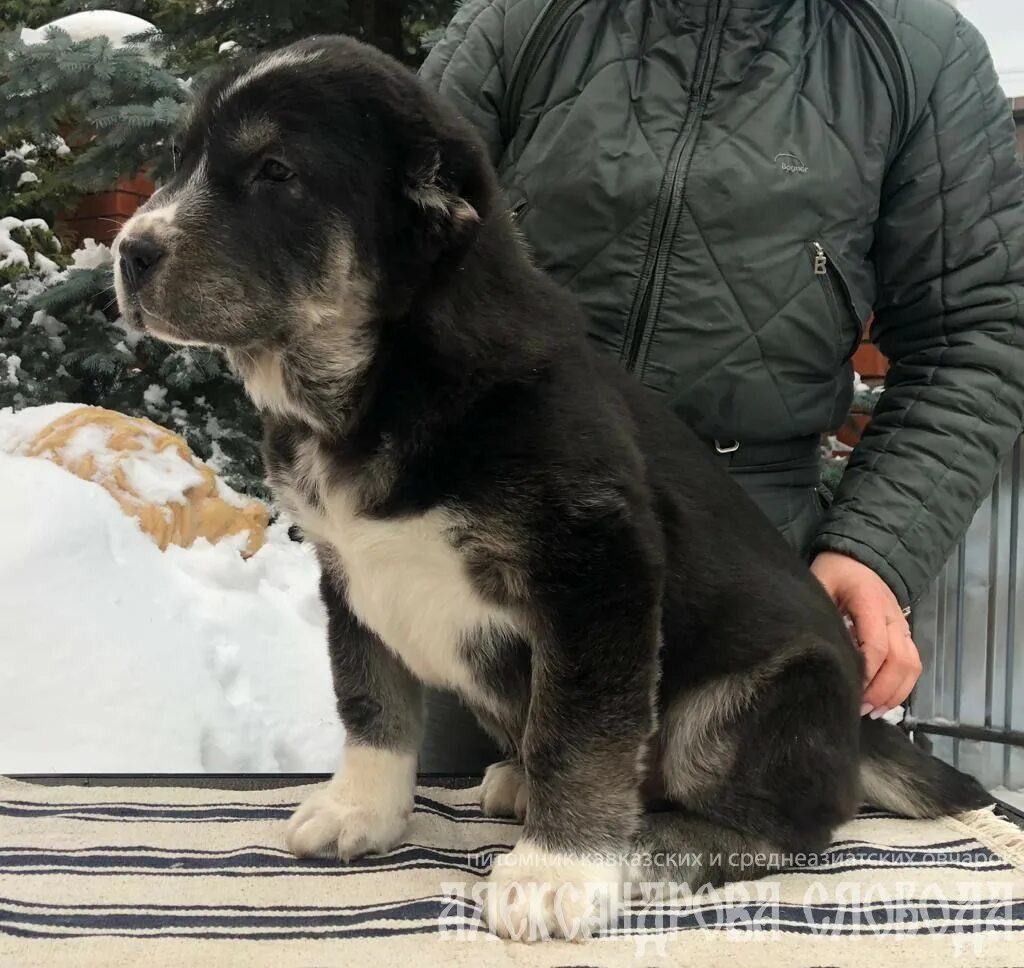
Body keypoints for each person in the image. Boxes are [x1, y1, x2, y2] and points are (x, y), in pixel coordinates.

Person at [416, 0, 1024, 773]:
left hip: (747, 570)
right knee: (447, 836)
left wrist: (873, 548)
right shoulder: (519, 18)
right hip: (493, 555)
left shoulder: (921, 52)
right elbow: (384, 248)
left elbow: (975, 333)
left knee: (734, 836)